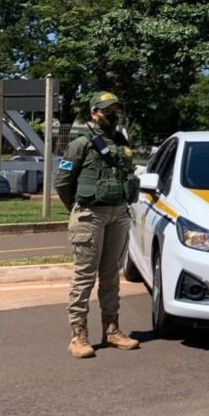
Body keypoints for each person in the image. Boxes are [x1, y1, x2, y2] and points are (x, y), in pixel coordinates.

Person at [54, 91, 141, 358]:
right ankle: (78, 335)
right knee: (84, 277)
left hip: (118, 214)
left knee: (112, 275)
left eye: (117, 109)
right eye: (108, 110)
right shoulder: (81, 143)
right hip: (90, 215)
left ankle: (111, 329)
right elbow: (63, 182)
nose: (114, 114)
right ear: (94, 113)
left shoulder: (121, 141)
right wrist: (78, 210)